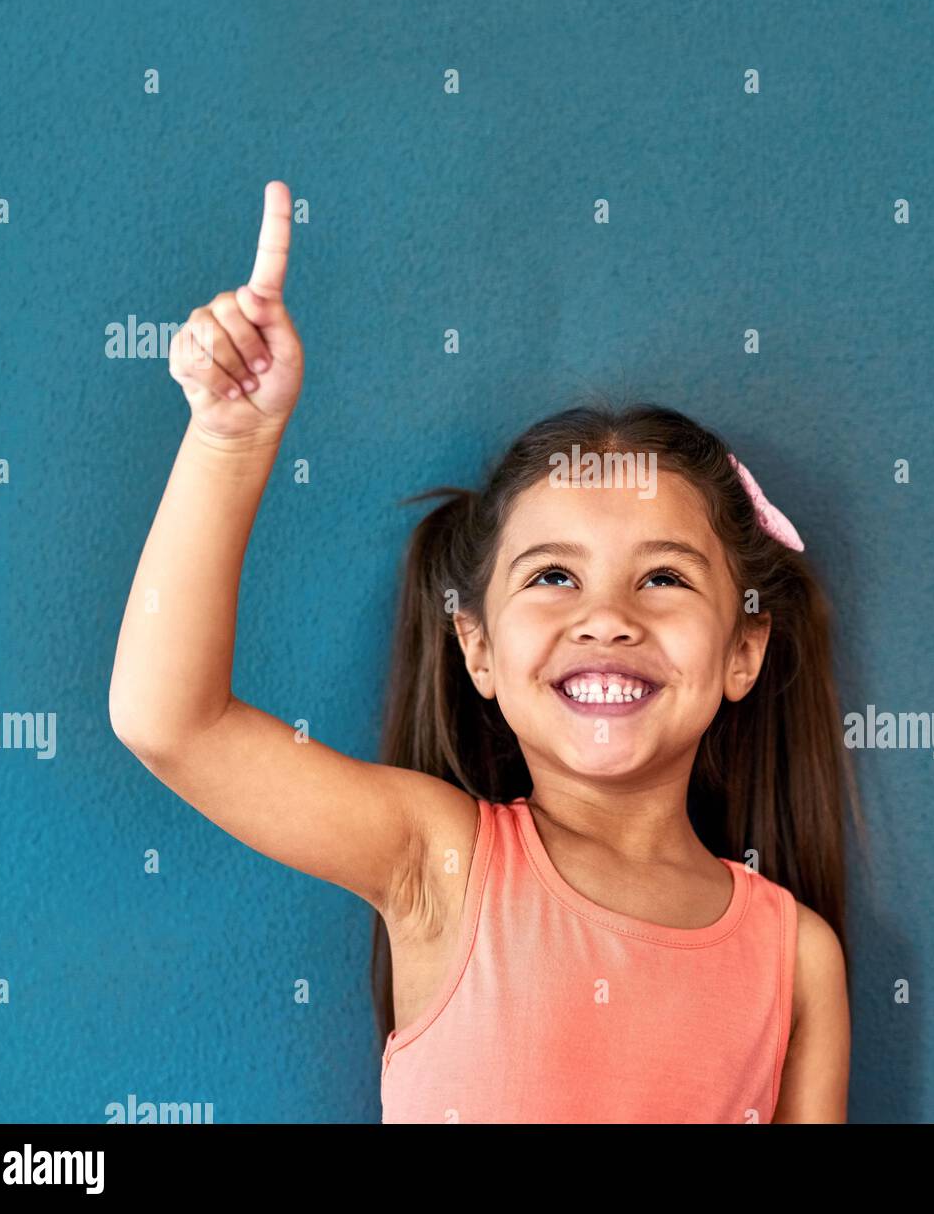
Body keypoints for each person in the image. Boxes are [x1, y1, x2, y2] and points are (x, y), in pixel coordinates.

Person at [109, 181, 856, 1124]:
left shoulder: (798, 961)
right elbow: (169, 720)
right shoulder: (440, 858)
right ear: (479, 650)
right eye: (553, 578)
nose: (606, 619)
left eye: (663, 578)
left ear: (745, 647)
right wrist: (231, 439)